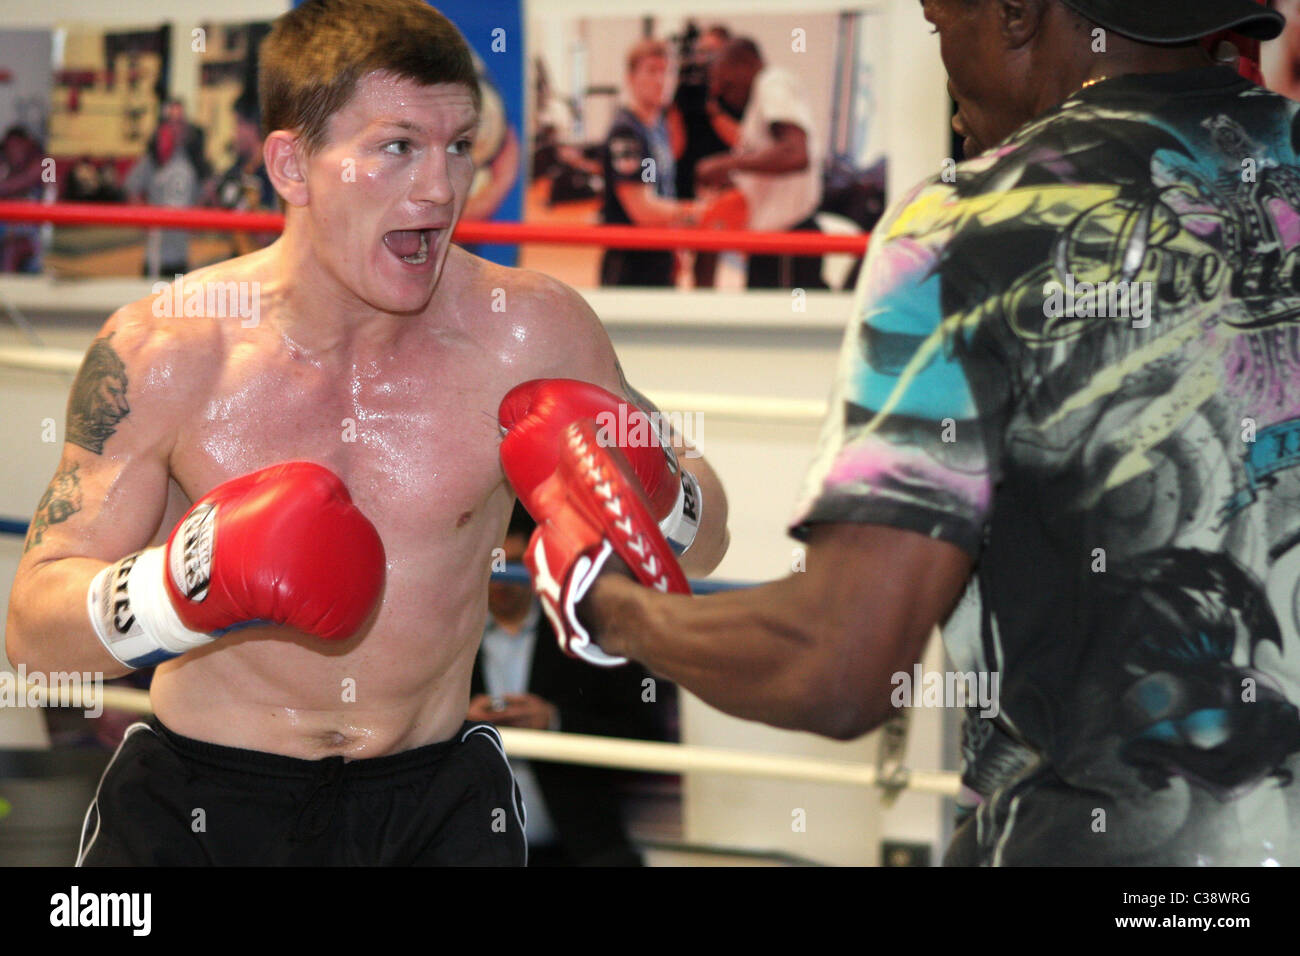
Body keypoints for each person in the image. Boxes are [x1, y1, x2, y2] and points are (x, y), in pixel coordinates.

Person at [507, 0, 1300, 866]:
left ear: (1017, 14)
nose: (944, 74)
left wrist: (608, 605)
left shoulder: (970, 230)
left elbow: (837, 663)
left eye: (937, 26)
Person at [5, 0, 727, 867]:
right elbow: (32, 631)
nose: (438, 187)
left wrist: (655, 492)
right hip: (200, 802)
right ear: (291, 164)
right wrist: (183, 585)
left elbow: (706, 538)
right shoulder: (164, 350)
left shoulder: (530, 331)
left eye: (458, 146)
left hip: (431, 803)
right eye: (396, 147)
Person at [468, 504, 663, 866]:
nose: (501, 578)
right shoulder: (447, 641)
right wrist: (460, 725)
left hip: (581, 849)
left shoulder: (590, 636)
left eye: (512, 564)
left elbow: (647, 739)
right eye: (492, 564)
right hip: (473, 851)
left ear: (535, 562)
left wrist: (555, 722)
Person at [694, 38, 826, 290]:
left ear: (747, 65)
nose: (720, 91)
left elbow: (796, 154)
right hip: (770, 243)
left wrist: (725, 164)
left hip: (787, 241)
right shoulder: (759, 104)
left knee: (785, 327)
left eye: (726, 82)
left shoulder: (771, 82)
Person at [599, 38, 701, 287]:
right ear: (631, 78)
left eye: (667, 72)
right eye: (652, 71)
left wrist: (676, 242)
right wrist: (697, 211)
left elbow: (663, 191)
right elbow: (642, 211)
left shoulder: (657, 126)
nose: (661, 80)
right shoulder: (626, 133)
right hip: (630, 266)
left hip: (659, 258)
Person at [124, 99, 211, 276]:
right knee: (153, 302)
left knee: (177, 302)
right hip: (155, 258)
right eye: (171, 122)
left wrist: (195, 221)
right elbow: (131, 189)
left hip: (181, 256)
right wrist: (146, 218)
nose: (175, 128)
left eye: (179, 123)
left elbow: (205, 198)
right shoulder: (152, 160)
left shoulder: (194, 163)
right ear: (163, 126)